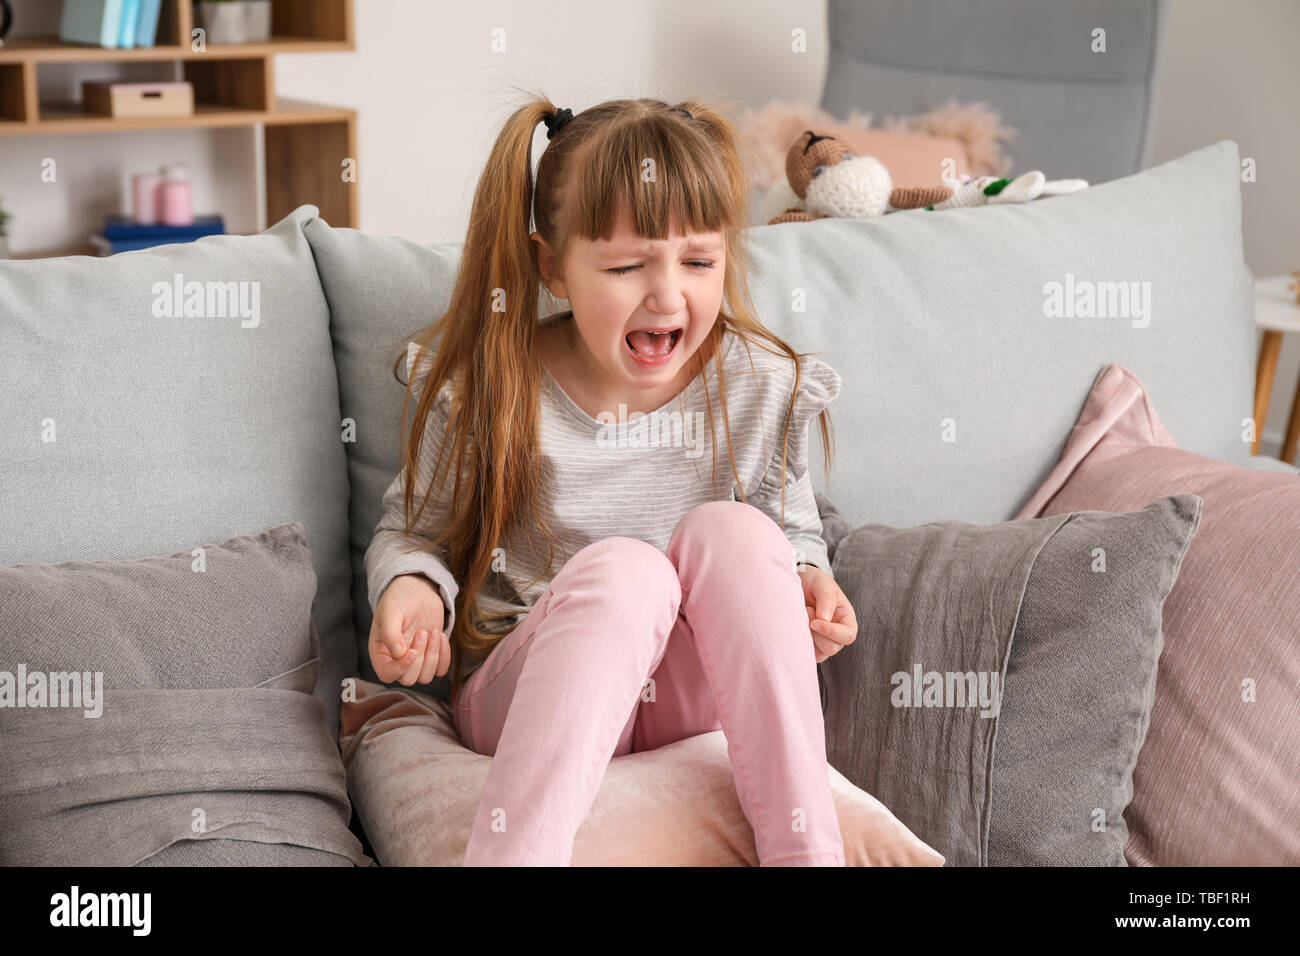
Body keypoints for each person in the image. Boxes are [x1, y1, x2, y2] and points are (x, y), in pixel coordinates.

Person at [363, 95, 858, 866]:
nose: (668, 296)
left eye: (700, 261)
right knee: (631, 573)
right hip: (523, 694)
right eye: (627, 266)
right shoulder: (490, 385)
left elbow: (787, 524)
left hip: (686, 702)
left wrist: (806, 576)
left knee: (734, 533)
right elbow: (417, 534)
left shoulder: (757, 383)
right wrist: (413, 591)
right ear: (550, 266)